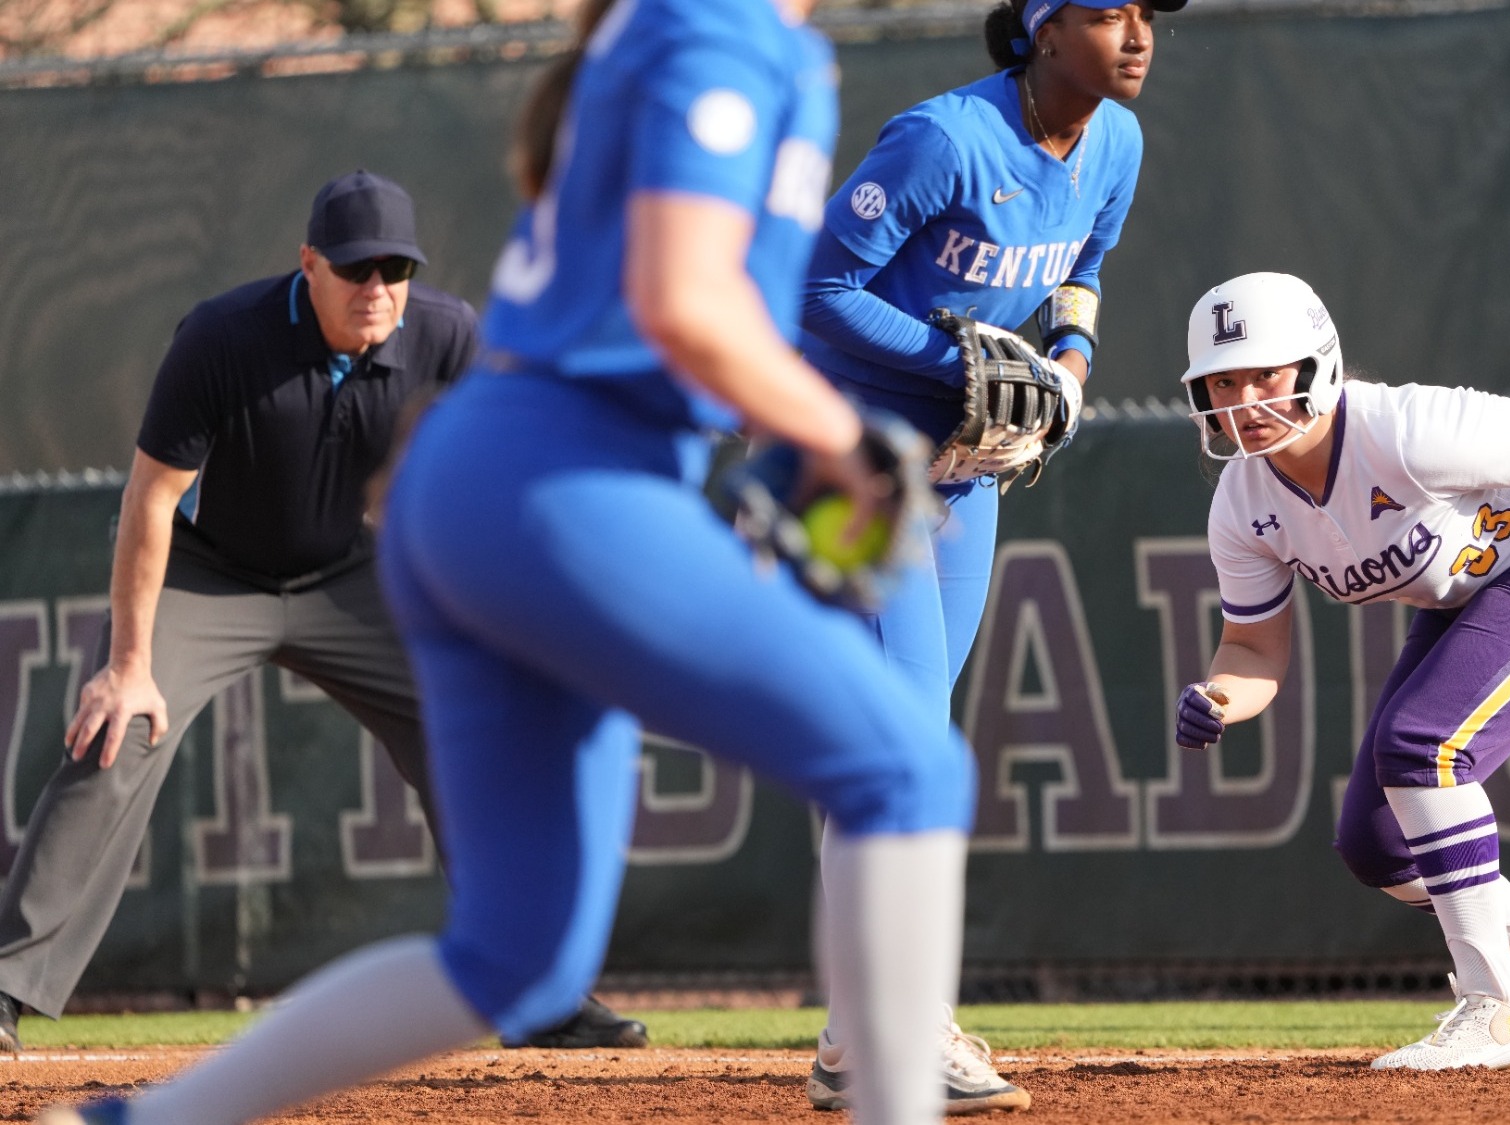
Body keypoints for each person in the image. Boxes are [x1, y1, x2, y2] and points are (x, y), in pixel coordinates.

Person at [37, 0, 974, 1119]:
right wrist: (839, 435)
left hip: (483, 488)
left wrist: (791, 432)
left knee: (514, 959)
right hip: (562, 487)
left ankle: (136, 1120)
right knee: (907, 767)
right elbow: (683, 306)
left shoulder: (681, 34)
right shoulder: (712, 26)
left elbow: (672, 320)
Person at [0, 169, 644, 1055]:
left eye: (395, 267)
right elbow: (151, 498)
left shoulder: (445, 336)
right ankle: (5, 984)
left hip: (351, 575)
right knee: (119, 728)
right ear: (310, 264)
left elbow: (500, 466)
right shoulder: (224, 337)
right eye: (355, 267)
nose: (377, 286)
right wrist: (129, 663)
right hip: (210, 571)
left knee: (483, 728)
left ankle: (540, 988)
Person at [1170, 272, 1510, 1071]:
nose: (1245, 399)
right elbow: (1255, 650)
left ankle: (1495, 1008)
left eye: (1266, 373)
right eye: (1223, 381)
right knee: (1376, 844)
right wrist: (1220, 693)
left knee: (1423, 745)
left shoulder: (1400, 427)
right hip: (1474, 596)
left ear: (1317, 365)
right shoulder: (1241, 502)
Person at [797, 0, 1180, 1110]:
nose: (1140, 33)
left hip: (963, 476)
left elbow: (1083, 274)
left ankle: (850, 1034)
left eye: (1149, 14)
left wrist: (1066, 363)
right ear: (1043, 29)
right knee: (903, 743)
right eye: (1111, 10)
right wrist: (956, 358)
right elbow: (816, 293)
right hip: (848, 464)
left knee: (900, 742)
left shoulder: (1117, 139)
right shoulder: (941, 139)